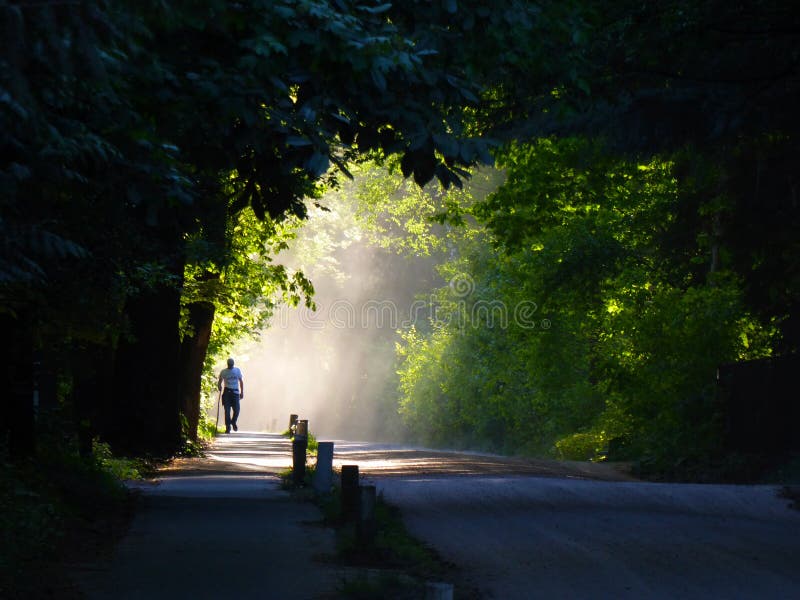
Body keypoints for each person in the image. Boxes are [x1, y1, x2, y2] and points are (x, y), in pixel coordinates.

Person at [217, 358, 244, 433]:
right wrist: (219, 386)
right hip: (227, 393)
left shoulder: (237, 370)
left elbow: (241, 381)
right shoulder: (224, 372)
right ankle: (228, 427)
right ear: (227, 364)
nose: (230, 366)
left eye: (231, 364)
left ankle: (233, 421)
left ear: (233, 364)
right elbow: (220, 381)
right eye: (229, 364)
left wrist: (242, 392)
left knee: (237, 410)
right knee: (227, 411)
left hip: (235, 393)